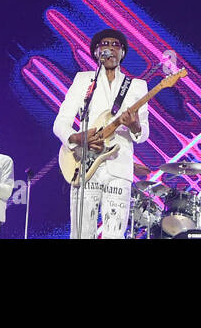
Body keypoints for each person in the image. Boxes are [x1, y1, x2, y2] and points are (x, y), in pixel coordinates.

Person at [52, 28, 149, 239]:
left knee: (114, 233)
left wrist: (134, 127)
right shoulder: (83, 80)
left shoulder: (137, 86)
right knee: (81, 233)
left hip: (119, 166)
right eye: (105, 44)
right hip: (84, 165)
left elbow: (143, 134)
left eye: (116, 45)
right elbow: (60, 122)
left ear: (123, 53)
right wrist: (77, 138)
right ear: (96, 52)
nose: (110, 48)